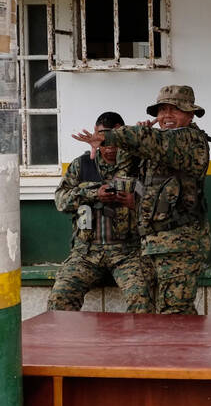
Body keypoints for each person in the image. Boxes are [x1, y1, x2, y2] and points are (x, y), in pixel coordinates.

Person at [73, 85, 211, 315]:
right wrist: (130, 146)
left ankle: (183, 352)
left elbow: (154, 141)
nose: (166, 116)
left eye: (174, 109)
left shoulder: (190, 139)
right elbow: (125, 176)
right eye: (162, 110)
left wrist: (112, 136)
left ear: (190, 114)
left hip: (180, 244)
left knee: (176, 313)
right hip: (151, 243)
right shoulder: (155, 143)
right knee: (148, 312)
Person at [48, 111, 152, 313]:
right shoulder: (82, 165)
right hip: (86, 252)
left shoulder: (139, 164)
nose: (109, 146)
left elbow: (157, 203)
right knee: (60, 296)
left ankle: (139, 344)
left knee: (141, 298)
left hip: (128, 252)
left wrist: (135, 203)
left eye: (113, 138)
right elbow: (61, 201)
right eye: (102, 139)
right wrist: (93, 194)